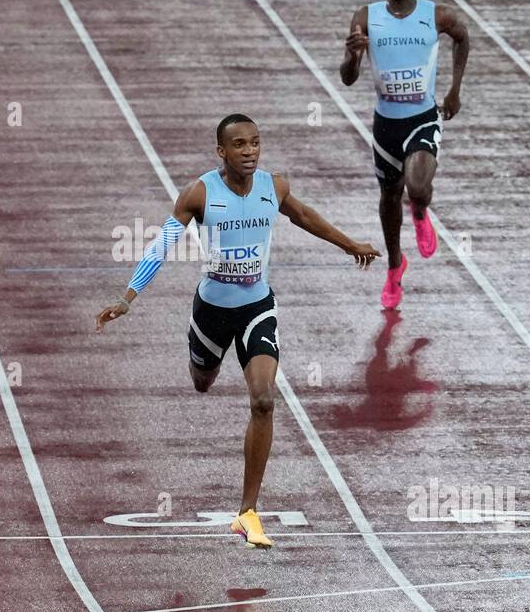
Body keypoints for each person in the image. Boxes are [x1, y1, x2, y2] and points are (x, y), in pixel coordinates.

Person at [96, 114, 379, 548]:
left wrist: (350, 244)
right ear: (221, 152)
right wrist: (128, 297)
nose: (249, 152)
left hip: (257, 307)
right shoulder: (199, 194)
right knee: (202, 382)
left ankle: (247, 511)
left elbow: (304, 215)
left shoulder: (274, 186)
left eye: (255, 143)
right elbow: (163, 244)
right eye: (240, 145)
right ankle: (201, 358)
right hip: (211, 310)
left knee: (264, 399)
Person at [340, 0, 468, 310]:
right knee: (389, 196)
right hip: (385, 124)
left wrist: (454, 89)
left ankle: (421, 211)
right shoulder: (366, 18)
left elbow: (463, 37)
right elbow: (348, 79)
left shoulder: (436, 15)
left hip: (423, 116)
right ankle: (395, 266)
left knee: (417, 185)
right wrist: (352, 54)